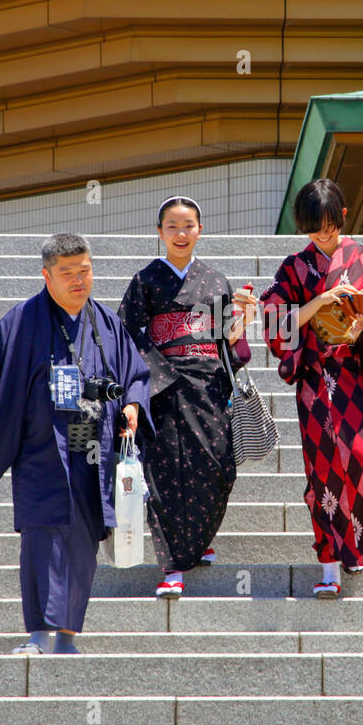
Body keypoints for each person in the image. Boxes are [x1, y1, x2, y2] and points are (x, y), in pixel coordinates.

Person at [0, 233, 153, 653]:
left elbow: (135, 373)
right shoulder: (21, 320)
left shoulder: (106, 323)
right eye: (67, 274)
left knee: (83, 543)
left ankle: (68, 637)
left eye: (85, 271)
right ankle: (40, 633)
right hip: (42, 449)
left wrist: (132, 405)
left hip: (92, 449)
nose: (79, 281)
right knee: (43, 536)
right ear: (47, 276)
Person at [258, 179, 363, 598]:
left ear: (343, 216)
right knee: (323, 472)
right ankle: (328, 564)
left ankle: (357, 541)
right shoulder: (293, 268)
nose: (322, 235)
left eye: (328, 225)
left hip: (359, 375)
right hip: (315, 383)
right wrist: (321, 302)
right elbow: (273, 322)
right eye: (313, 228)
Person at [118, 195, 257, 599]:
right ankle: (173, 567)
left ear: (200, 230)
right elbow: (128, 338)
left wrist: (242, 319)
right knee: (165, 475)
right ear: (159, 232)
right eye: (172, 226)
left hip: (209, 386)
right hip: (162, 389)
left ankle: (197, 541)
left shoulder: (216, 281)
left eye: (189, 226)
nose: (181, 234)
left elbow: (230, 342)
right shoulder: (145, 280)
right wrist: (156, 378)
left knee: (218, 467)